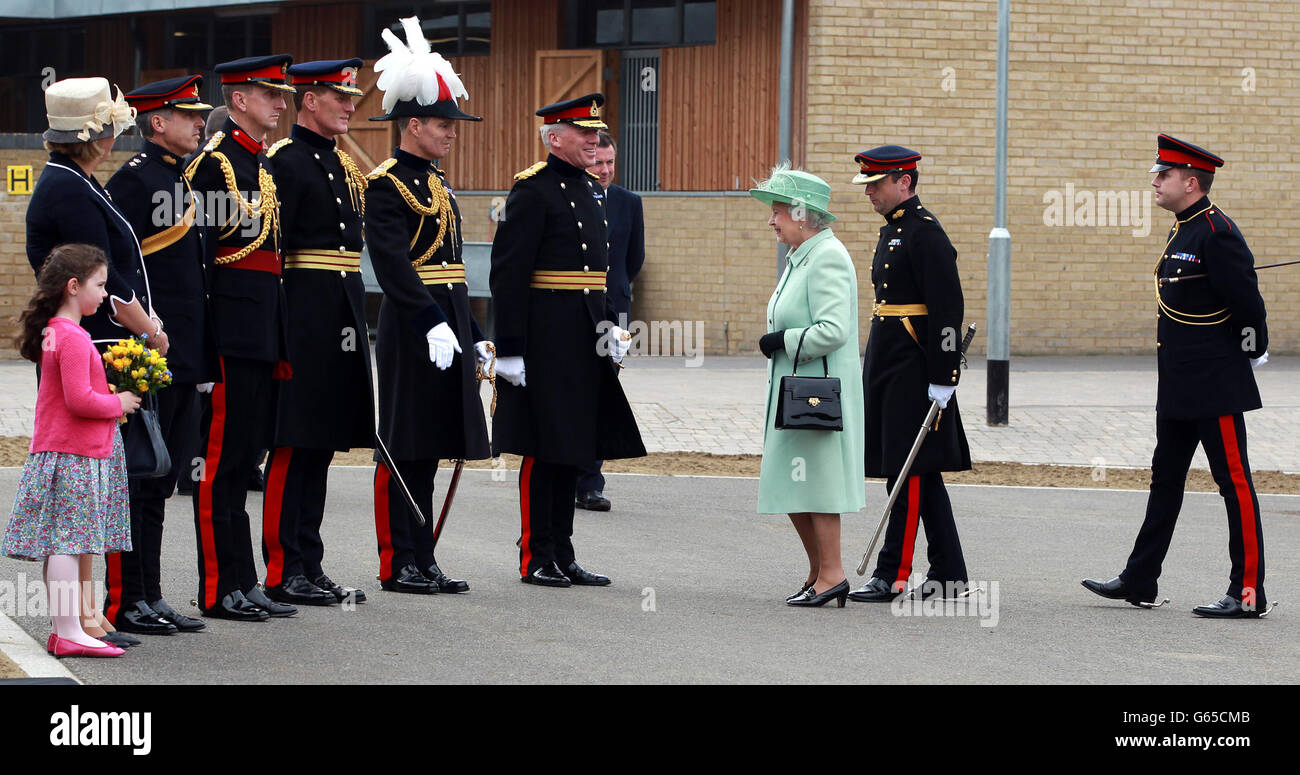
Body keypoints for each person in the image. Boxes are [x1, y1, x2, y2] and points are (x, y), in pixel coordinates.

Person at [1083, 135, 1271, 619]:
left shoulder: (1216, 231)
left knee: (1235, 483)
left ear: (1191, 182)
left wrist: (1252, 353)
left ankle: (1248, 592)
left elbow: (1248, 303)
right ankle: (1140, 578)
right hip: (1180, 382)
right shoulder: (1181, 229)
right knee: (1165, 479)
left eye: (1163, 175)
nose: (1154, 181)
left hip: (1215, 382)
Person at [25, 76, 164, 650]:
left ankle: (89, 614)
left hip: (99, 348)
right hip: (100, 351)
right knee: (80, 513)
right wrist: (148, 329)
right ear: (95, 135)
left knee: (91, 508)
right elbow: (98, 275)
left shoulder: (75, 181)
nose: (115, 135)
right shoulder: (69, 190)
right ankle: (77, 619)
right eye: (110, 127)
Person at [490, 92, 646, 588]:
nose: (594, 140)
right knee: (543, 446)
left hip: (583, 337)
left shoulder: (588, 190)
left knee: (573, 445)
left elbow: (594, 276)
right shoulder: (531, 191)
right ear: (555, 139)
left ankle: (563, 551)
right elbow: (508, 275)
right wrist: (510, 349)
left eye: (597, 133)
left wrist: (609, 329)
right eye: (583, 132)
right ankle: (536, 554)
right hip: (545, 338)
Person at [365, 17, 491, 594]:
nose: (452, 133)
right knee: (406, 445)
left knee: (436, 443)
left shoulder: (437, 182)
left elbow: (453, 269)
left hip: (447, 328)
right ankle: (400, 562)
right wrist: (432, 322)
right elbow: (393, 267)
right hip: (413, 329)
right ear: (413, 125)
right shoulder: (387, 184)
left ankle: (425, 555)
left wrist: (472, 329)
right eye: (443, 124)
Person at [100, 75, 217, 637]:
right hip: (146, 353)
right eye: (188, 115)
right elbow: (117, 272)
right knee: (137, 475)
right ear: (156, 123)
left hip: (180, 354)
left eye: (200, 116)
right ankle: (124, 599)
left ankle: (151, 594)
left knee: (161, 479)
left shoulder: (178, 179)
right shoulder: (132, 181)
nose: (200, 124)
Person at [185, 54, 298, 621]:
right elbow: (200, 264)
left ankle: (243, 579)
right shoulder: (214, 165)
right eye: (269, 94)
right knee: (219, 462)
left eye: (281, 94)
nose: (281, 103)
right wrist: (203, 347)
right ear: (239, 101)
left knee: (244, 460)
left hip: (261, 331)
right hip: (229, 331)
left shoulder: (261, 166)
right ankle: (216, 584)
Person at [261, 58, 373, 606]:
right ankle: (283, 568)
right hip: (302, 316)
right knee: (293, 443)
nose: (350, 106)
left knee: (322, 444)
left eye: (351, 97)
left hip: (339, 314)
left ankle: (311, 562)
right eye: (340, 97)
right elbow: (272, 251)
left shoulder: (340, 164)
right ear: (309, 100)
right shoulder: (284, 161)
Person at [847, 145, 972, 604]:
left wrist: (944, 376)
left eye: (877, 184)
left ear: (904, 182)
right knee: (916, 471)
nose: (870, 193)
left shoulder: (926, 234)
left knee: (909, 472)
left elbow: (946, 311)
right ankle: (949, 573)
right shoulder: (895, 231)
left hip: (916, 368)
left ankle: (892, 573)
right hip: (890, 361)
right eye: (868, 185)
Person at [2, 244, 141, 657]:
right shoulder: (75, 338)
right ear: (73, 286)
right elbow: (79, 400)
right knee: (68, 542)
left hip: (62, 450)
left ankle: (68, 629)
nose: (104, 294)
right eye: (99, 285)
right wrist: (120, 403)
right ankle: (68, 632)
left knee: (64, 542)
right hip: (76, 454)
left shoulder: (53, 332)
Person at [751, 166, 864, 608]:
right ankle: (819, 573)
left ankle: (832, 574)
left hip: (816, 393)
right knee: (791, 482)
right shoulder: (803, 254)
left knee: (816, 482)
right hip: (796, 388)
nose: (771, 219)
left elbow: (833, 330)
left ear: (801, 214)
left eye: (777, 210)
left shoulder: (828, 255)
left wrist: (783, 340)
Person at [575, 130, 646, 512]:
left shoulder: (628, 202)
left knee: (603, 394)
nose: (604, 170)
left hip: (613, 310)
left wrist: (616, 294)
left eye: (610, 163)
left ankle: (590, 482)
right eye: (598, 162)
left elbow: (634, 259)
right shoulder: (570, 196)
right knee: (572, 392)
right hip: (573, 308)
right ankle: (565, 471)